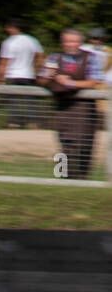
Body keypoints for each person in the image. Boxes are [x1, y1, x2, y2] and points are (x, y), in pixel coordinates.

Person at [38, 29, 100, 179]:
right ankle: (61, 175)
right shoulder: (54, 57)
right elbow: (41, 80)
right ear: (62, 42)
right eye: (67, 41)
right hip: (63, 106)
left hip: (84, 107)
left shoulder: (90, 58)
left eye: (74, 41)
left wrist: (68, 82)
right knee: (64, 142)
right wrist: (49, 76)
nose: (70, 44)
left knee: (84, 142)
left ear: (80, 42)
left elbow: (93, 81)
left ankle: (81, 178)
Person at [0, 19, 44, 128]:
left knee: (13, 99)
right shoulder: (32, 40)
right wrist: (36, 70)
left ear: (12, 28)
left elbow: (4, 62)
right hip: (28, 74)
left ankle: (14, 122)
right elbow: (41, 57)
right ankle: (33, 122)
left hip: (12, 74)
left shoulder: (9, 42)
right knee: (30, 99)